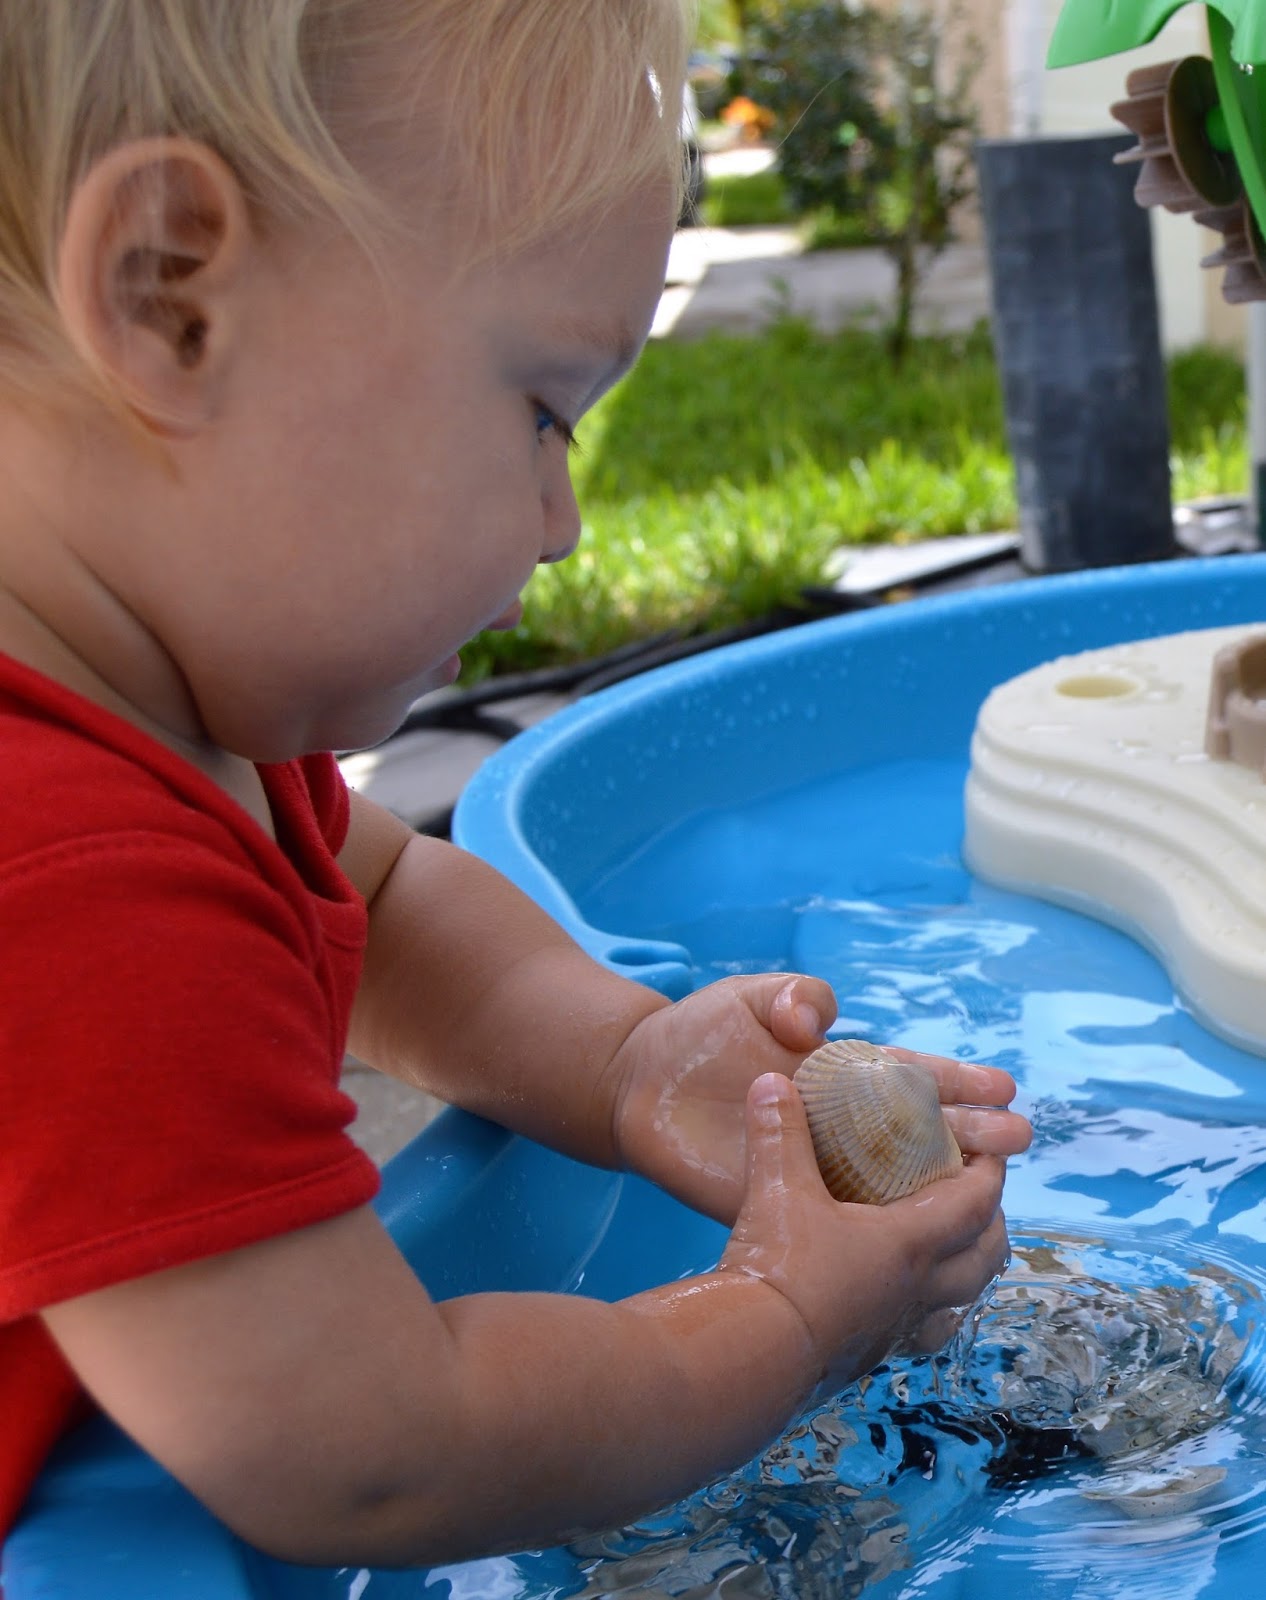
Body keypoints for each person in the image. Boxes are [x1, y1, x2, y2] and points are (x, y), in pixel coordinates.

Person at [0, 0, 1032, 1572]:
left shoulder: (139, 735)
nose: (559, 526)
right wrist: (780, 1311)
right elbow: (376, 1457)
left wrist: (627, 1059)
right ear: (168, 299)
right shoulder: (67, 877)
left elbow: (386, 900)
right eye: (542, 411)